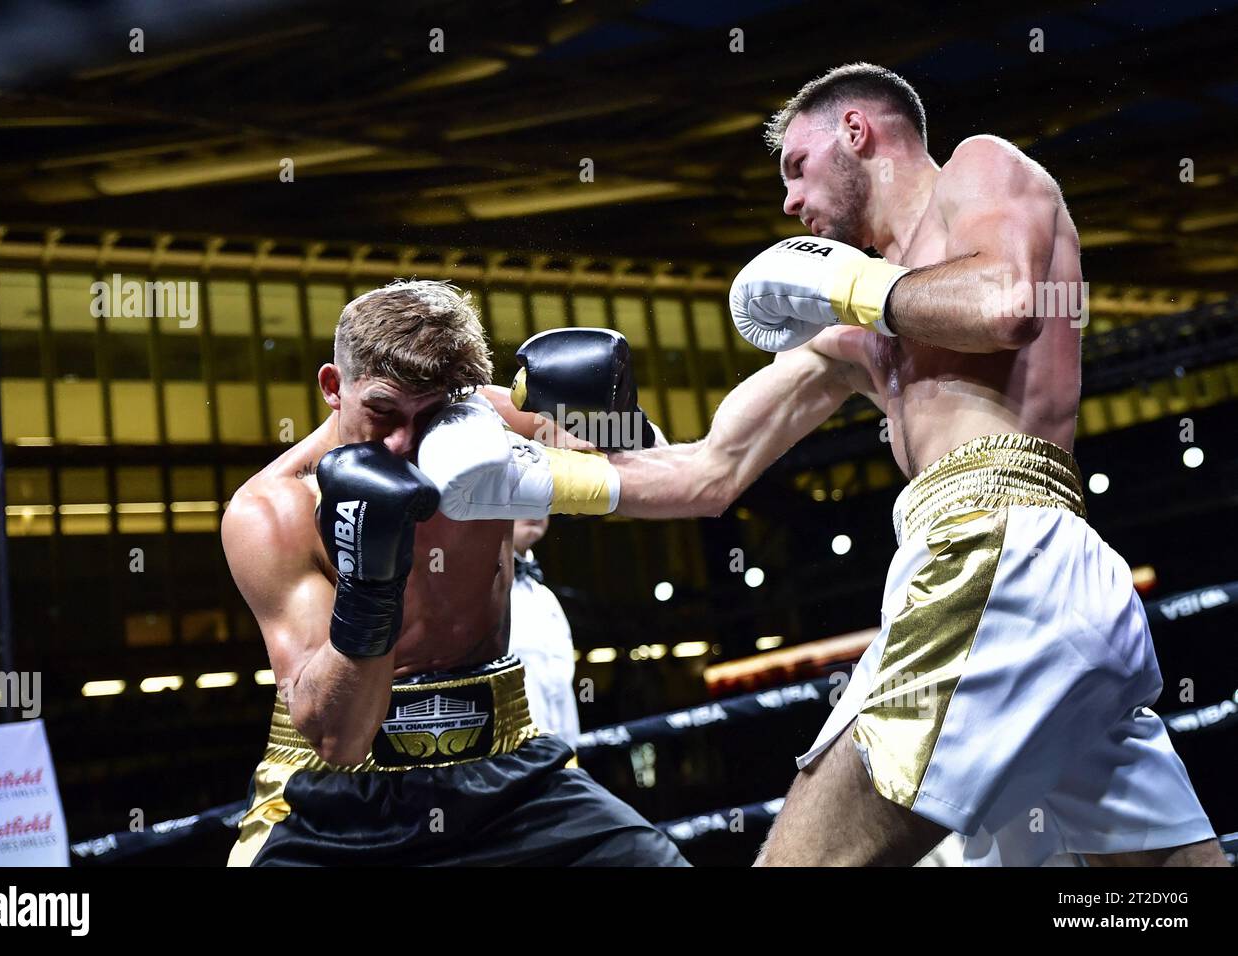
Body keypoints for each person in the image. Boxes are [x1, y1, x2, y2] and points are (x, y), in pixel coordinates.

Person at [479, 63, 1226, 867]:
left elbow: (1005, 305)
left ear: (857, 131)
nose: (790, 205)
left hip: (998, 558)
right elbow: (706, 472)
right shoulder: (855, 333)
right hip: (1047, 604)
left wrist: (847, 281)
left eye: (796, 169)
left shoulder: (980, 168)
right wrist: (527, 466)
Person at [220, 279, 687, 866]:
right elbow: (336, 737)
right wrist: (371, 584)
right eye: (383, 412)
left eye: (433, 415)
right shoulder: (272, 511)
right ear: (334, 387)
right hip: (331, 802)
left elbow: (661, 473)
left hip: (508, 773)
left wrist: (620, 418)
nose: (406, 444)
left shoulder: (488, 425)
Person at [508, 517, 581, 744]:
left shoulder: (544, 597)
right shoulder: (474, 595)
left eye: (541, 501)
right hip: (508, 766)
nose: (534, 509)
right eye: (520, 498)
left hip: (561, 759)